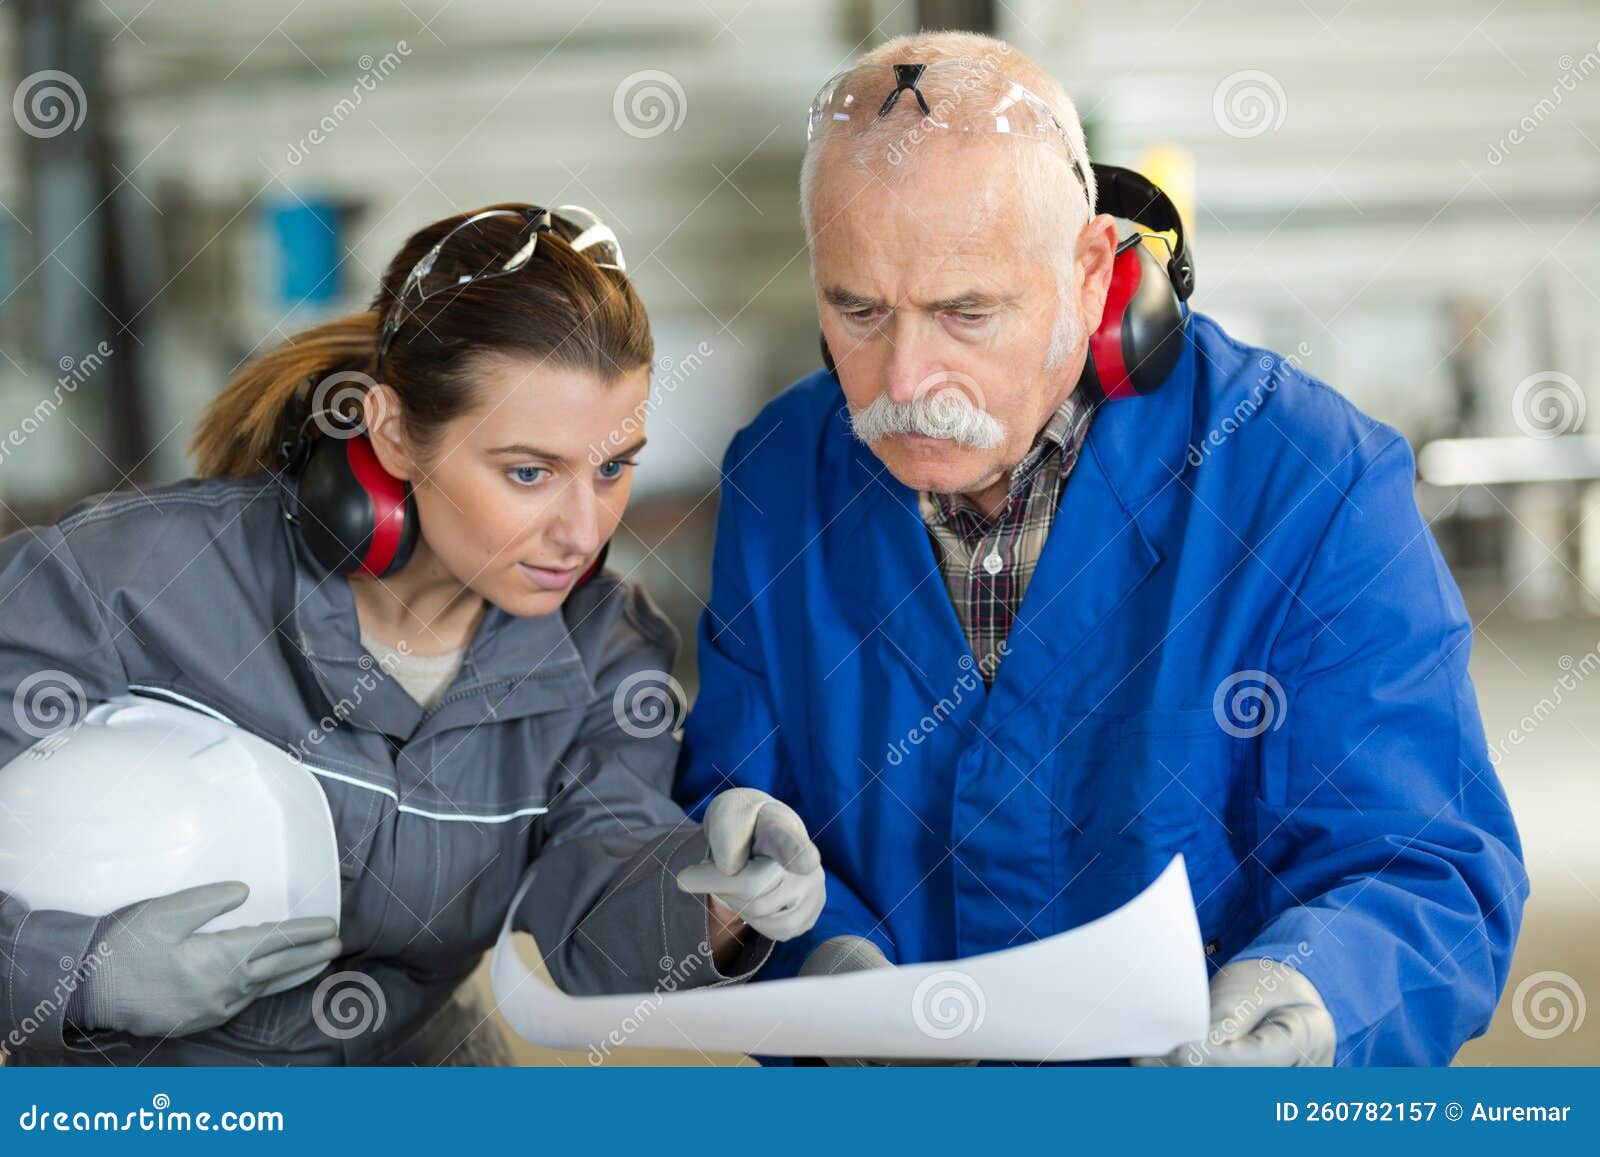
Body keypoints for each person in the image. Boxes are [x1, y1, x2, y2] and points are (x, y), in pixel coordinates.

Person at [673, 32, 1527, 1066]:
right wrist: (817, 957)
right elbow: (730, 802)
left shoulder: (1308, 481)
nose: (904, 374)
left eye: (965, 310)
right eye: (856, 308)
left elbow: (1423, 863)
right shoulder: (776, 474)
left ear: (1091, 274)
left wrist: (1310, 992)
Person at [0, 203, 824, 1066]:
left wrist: (718, 897)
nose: (583, 530)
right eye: (530, 471)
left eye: (613, 466)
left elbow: (596, 917)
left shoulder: (602, 650)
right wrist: (80, 975)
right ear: (393, 432)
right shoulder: (137, 576)